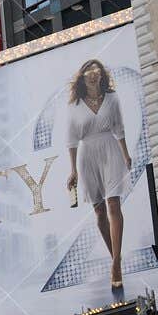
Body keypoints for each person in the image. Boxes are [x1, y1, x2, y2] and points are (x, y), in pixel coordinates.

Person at [64, 59, 134, 294]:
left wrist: (125, 154)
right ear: (82, 78)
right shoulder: (74, 105)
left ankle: (115, 265)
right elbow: (72, 140)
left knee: (114, 203)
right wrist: (72, 170)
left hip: (110, 148)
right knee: (99, 211)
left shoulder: (112, 99)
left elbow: (119, 128)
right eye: (88, 73)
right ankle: (115, 255)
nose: (93, 76)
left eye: (97, 72)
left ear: (101, 75)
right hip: (87, 155)